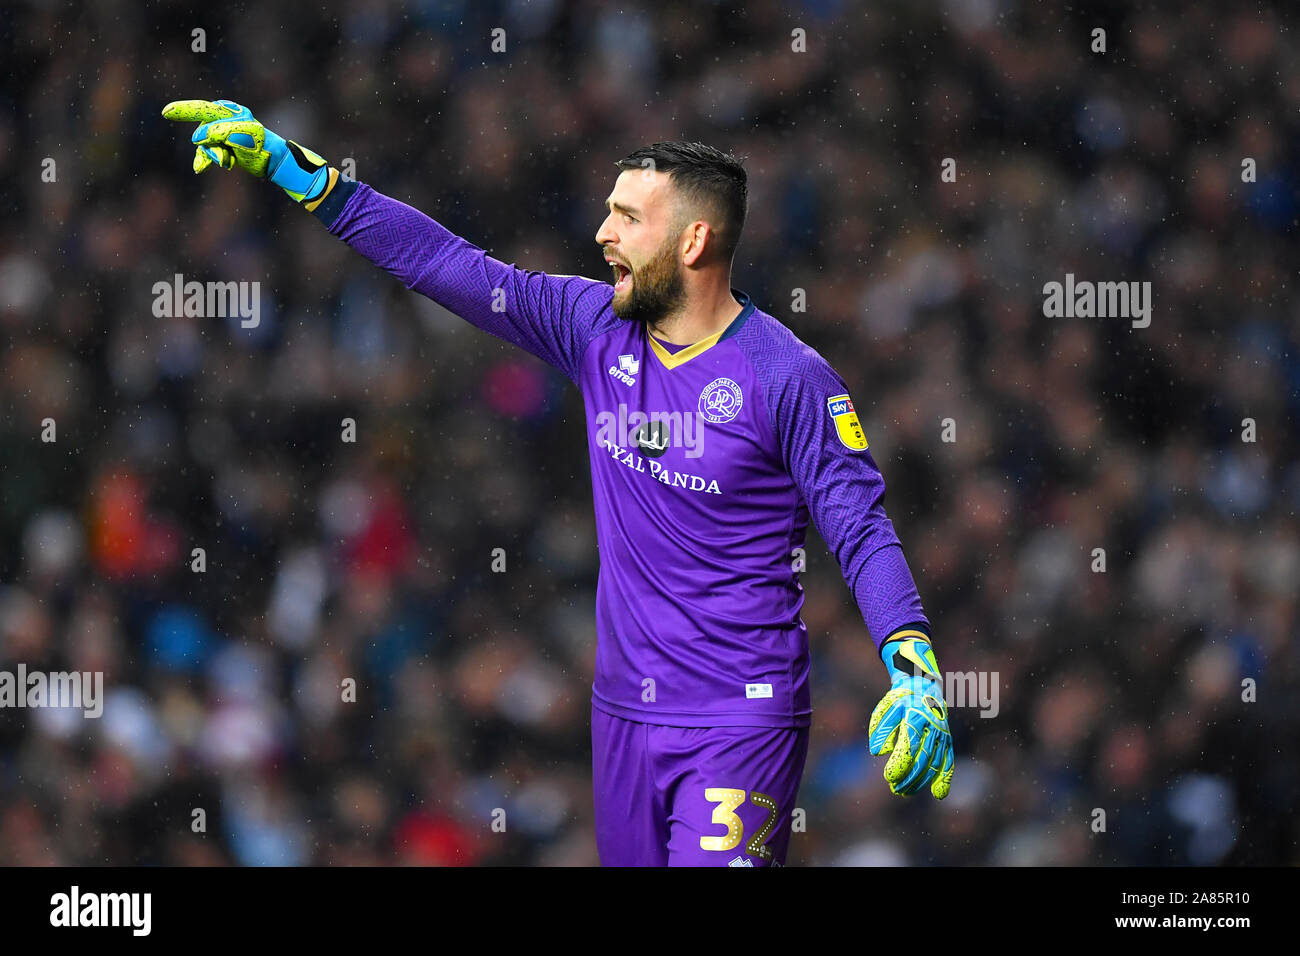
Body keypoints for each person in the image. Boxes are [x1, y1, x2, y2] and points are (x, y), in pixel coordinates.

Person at [162, 99, 955, 866]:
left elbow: (861, 525)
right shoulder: (593, 327)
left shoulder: (789, 379)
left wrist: (910, 661)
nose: (603, 232)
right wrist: (306, 177)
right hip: (621, 713)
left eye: (628, 219)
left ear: (694, 241)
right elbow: (446, 264)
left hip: (737, 720)